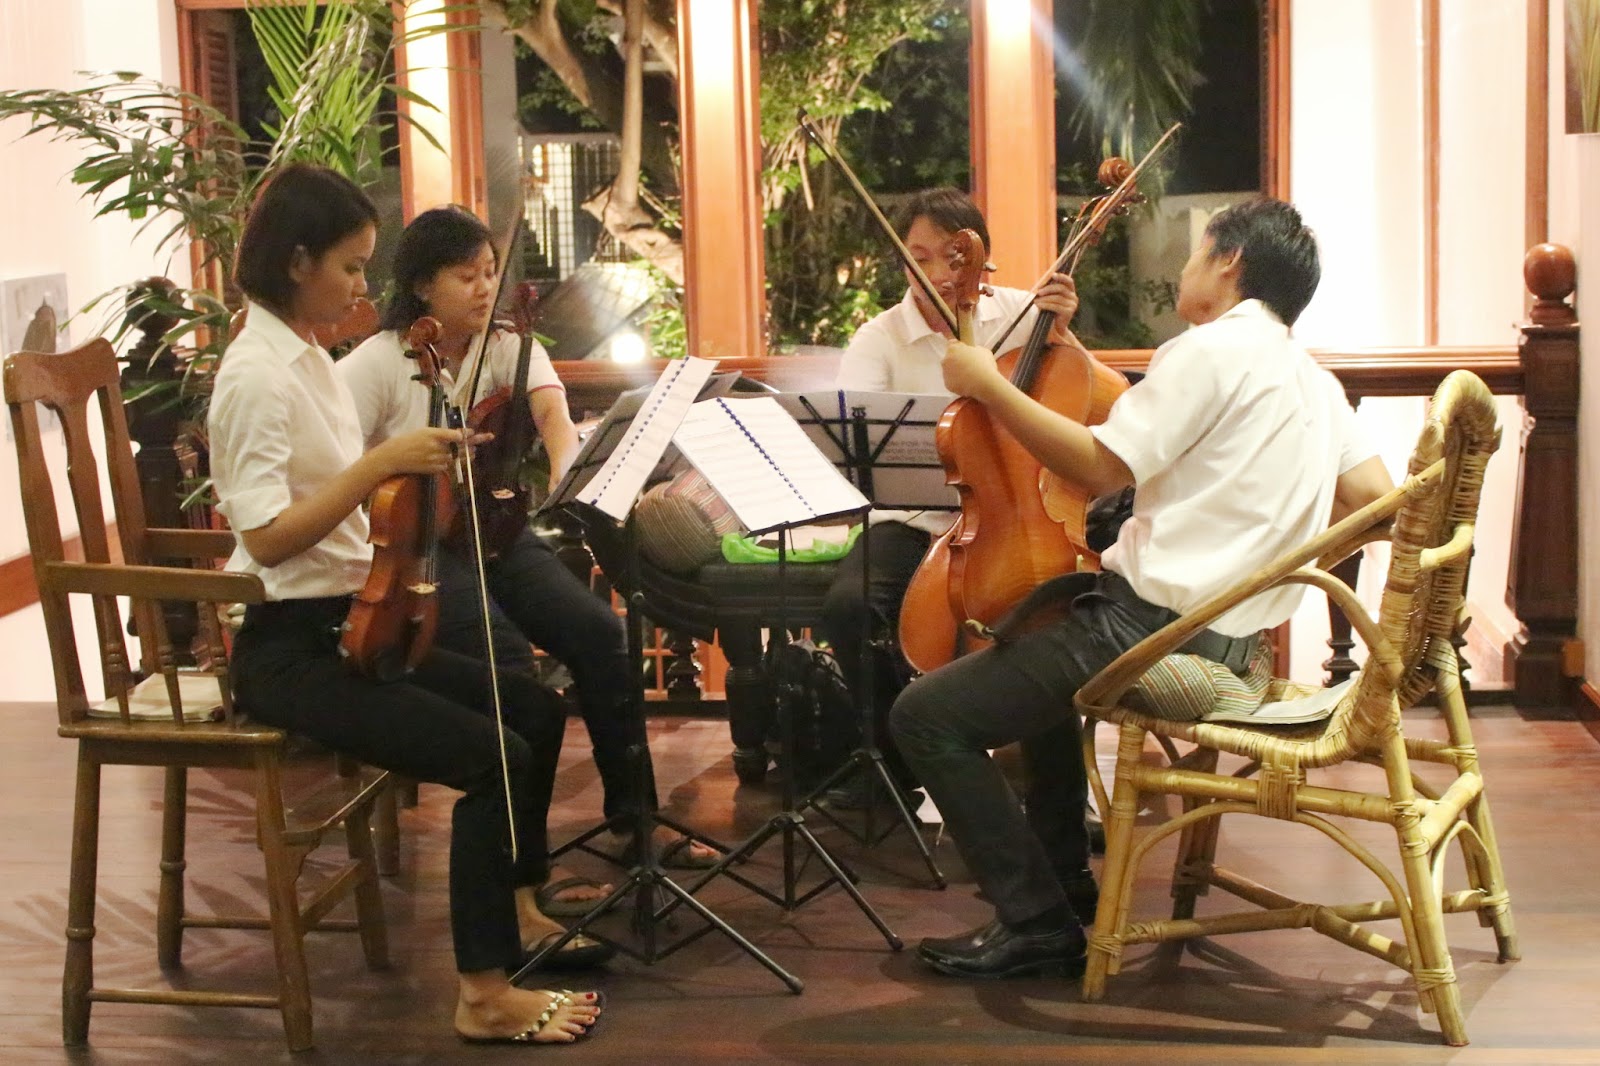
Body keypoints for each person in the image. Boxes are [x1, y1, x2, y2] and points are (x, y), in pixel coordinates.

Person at [892, 197, 1396, 979]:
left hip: (1150, 635)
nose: (1185, 268)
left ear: (1231, 263)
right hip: (1237, 650)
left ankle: (1033, 921)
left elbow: (1098, 469)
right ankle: (1065, 887)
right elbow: (1374, 502)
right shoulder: (1312, 380)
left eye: (1197, 253)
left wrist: (989, 388)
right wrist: (1269, 546)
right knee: (1037, 651)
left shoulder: (1205, 353)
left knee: (924, 716)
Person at [210, 164, 605, 1043]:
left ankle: (518, 909)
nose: (363, 285)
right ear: (297, 260)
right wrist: (381, 464)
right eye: (351, 267)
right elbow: (267, 538)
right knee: (487, 753)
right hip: (290, 648)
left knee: (531, 707)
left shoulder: (307, 355)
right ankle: (483, 993)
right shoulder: (255, 377)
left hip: (356, 619)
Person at [337, 207, 715, 901]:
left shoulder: (511, 347)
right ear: (422, 285)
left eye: (490, 274)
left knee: (601, 636)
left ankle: (634, 819)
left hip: (497, 533)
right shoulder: (377, 365)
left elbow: (554, 422)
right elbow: (339, 467)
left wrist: (577, 480)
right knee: (509, 663)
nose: (485, 289)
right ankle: (522, 866)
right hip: (419, 551)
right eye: (466, 276)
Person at [814, 187, 1080, 807]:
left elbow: (1076, 402)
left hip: (1016, 515)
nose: (934, 273)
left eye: (949, 257)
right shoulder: (878, 339)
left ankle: (1055, 794)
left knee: (1049, 617)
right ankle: (892, 761)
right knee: (848, 607)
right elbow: (856, 452)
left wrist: (1062, 334)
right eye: (918, 257)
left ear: (978, 259)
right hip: (916, 519)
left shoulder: (1026, 315)